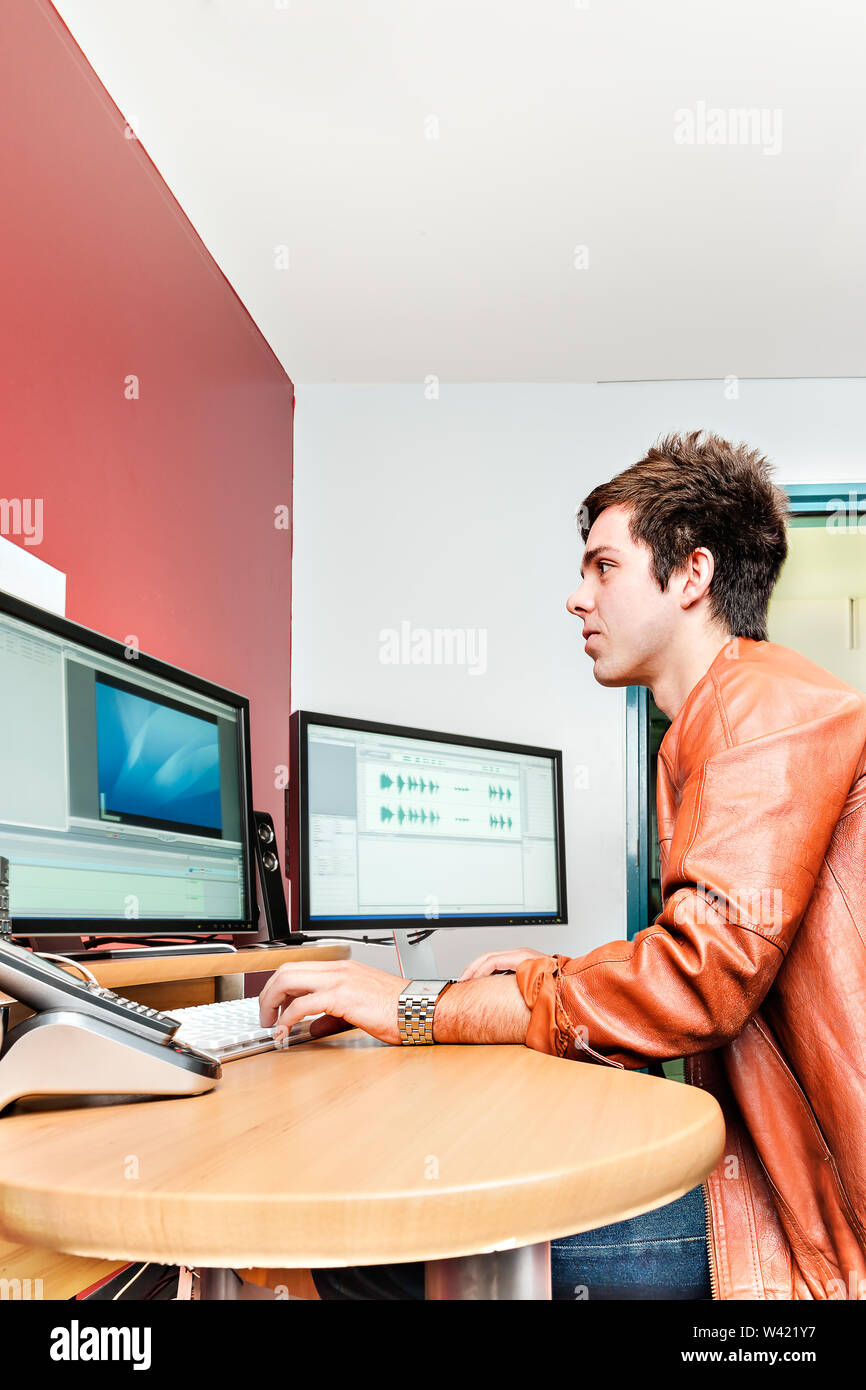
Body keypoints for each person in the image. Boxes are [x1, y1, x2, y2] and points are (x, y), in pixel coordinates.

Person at [259, 430, 866, 1300]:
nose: (576, 598)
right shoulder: (711, 726)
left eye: (603, 568)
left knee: (370, 1237)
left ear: (691, 576)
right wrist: (553, 975)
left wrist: (421, 1006)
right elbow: (717, 946)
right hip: (764, 1176)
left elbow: (701, 980)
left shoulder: (765, 711)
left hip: (793, 1222)